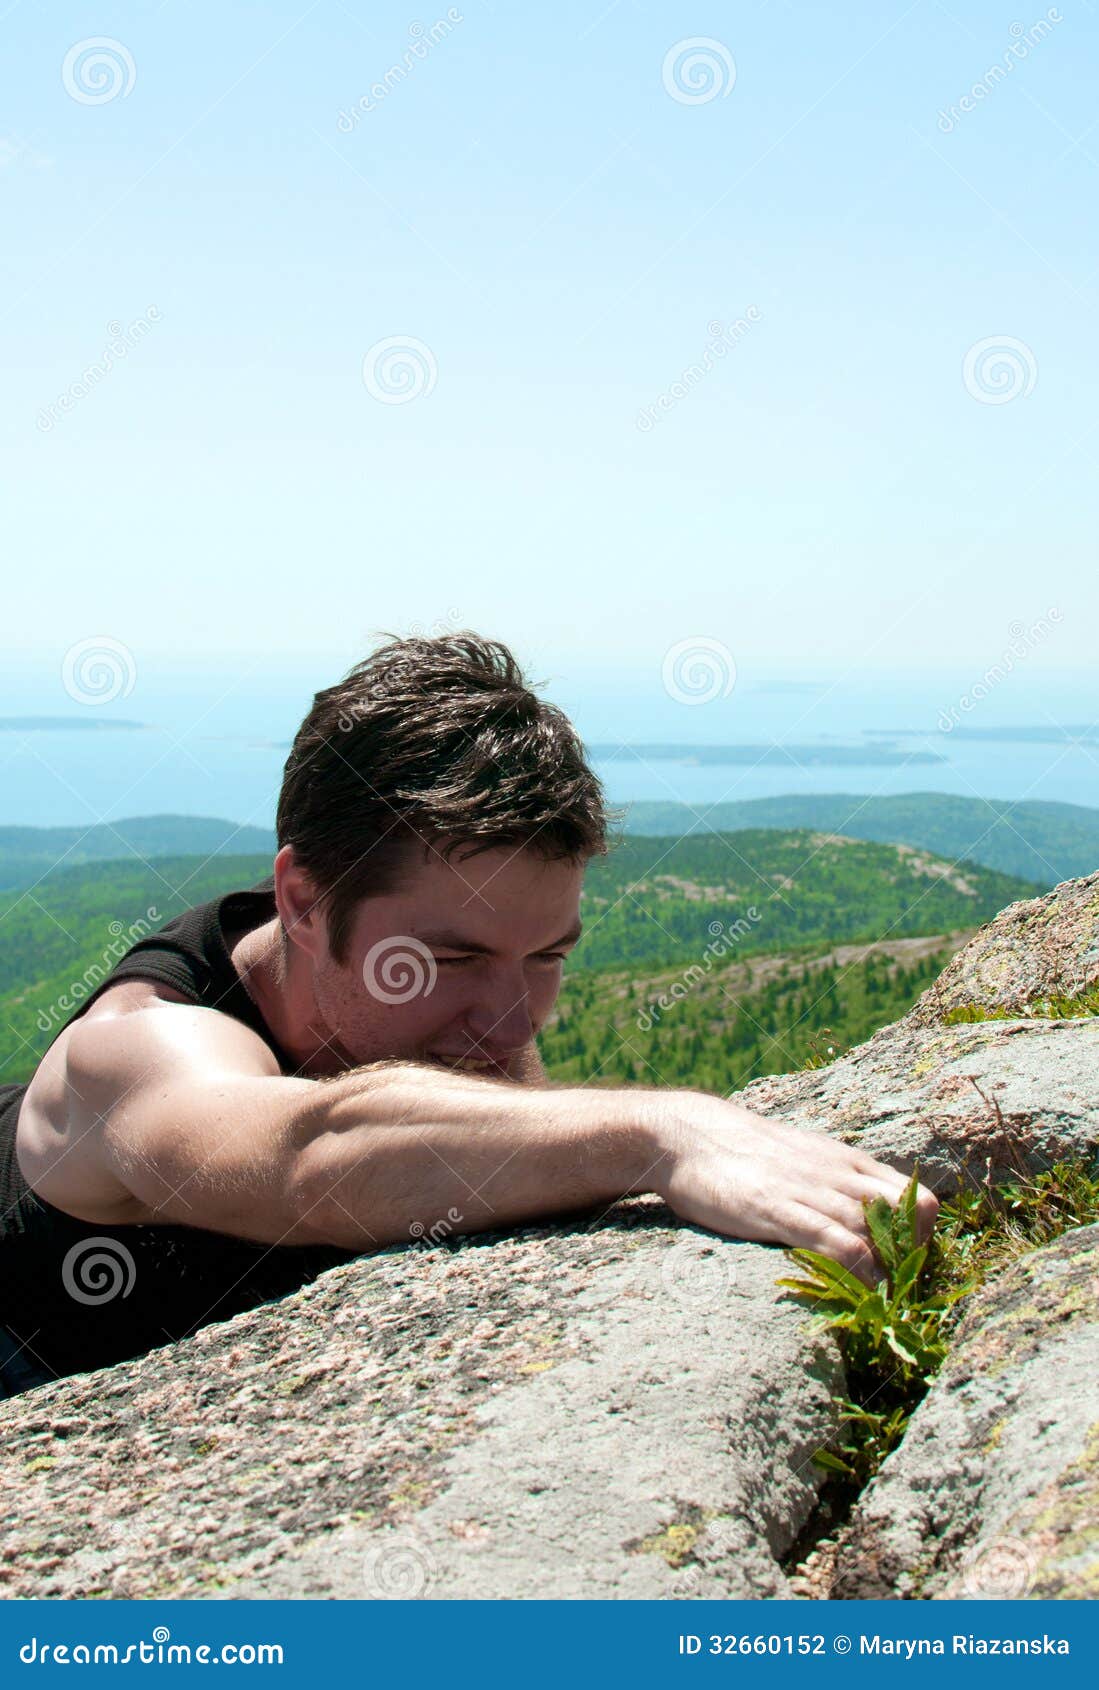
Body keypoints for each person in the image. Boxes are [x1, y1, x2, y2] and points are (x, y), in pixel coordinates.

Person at [0, 633, 936, 1395]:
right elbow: (304, 1153)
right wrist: (666, 1131)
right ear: (303, 901)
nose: (511, 1022)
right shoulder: (136, 1048)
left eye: (548, 956)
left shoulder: (452, 1021)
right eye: (451, 960)